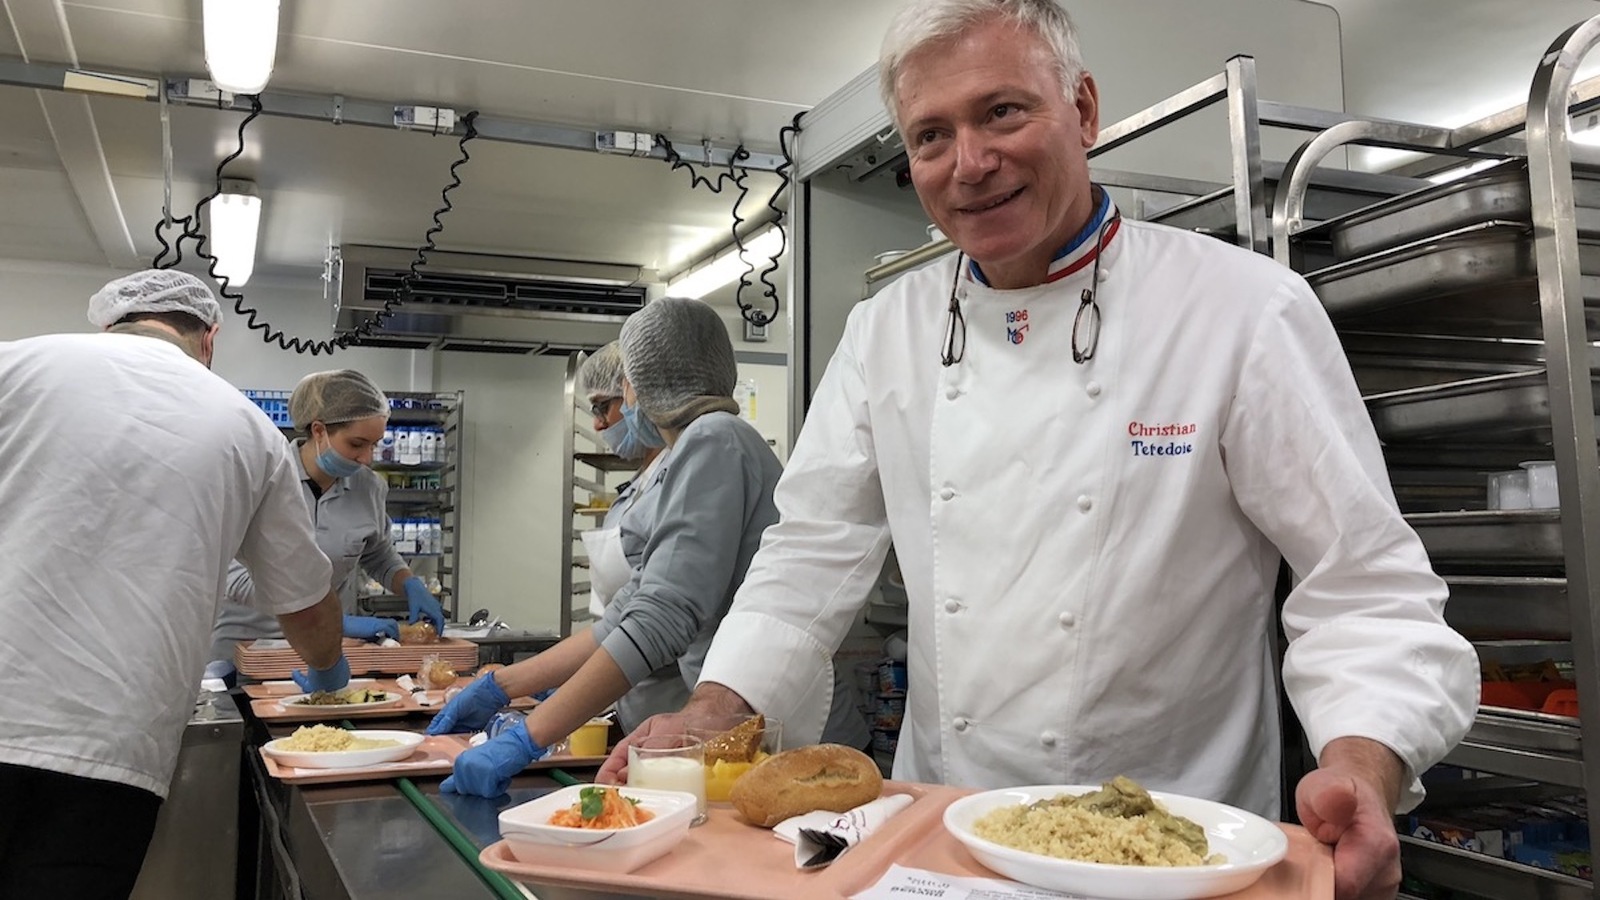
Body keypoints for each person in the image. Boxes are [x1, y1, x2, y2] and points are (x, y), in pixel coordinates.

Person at [601, 3, 1478, 899]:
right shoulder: (884, 332)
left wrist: (1361, 767)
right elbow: (810, 551)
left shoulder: (1243, 310)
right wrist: (712, 709)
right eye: (932, 135)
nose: (970, 163)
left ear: (1085, 110)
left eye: (1003, 112)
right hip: (944, 844)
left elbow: (1363, 585)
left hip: (1183, 852)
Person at [0, 270, 349, 900]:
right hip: (107, 746)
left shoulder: (16, 365)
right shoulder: (245, 426)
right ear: (210, 337)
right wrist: (329, 667)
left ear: (110, 326)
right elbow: (301, 600)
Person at [429, 298, 867, 797]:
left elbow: (660, 619)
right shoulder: (699, 448)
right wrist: (505, 686)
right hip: (742, 724)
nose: (622, 402)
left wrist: (529, 737)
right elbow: (628, 611)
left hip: (786, 729)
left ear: (643, 384)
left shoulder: (716, 440)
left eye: (624, 389)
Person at [209, 369, 447, 677]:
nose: (367, 458)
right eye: (357, 444)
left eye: (374, 445)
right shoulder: (262, 478)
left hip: (327, 652)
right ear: (319, 430)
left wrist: (410, 584)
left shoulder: (369, 487)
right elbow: (233, 576)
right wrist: (322, 616)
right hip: (248, 650)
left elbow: (377, 553)